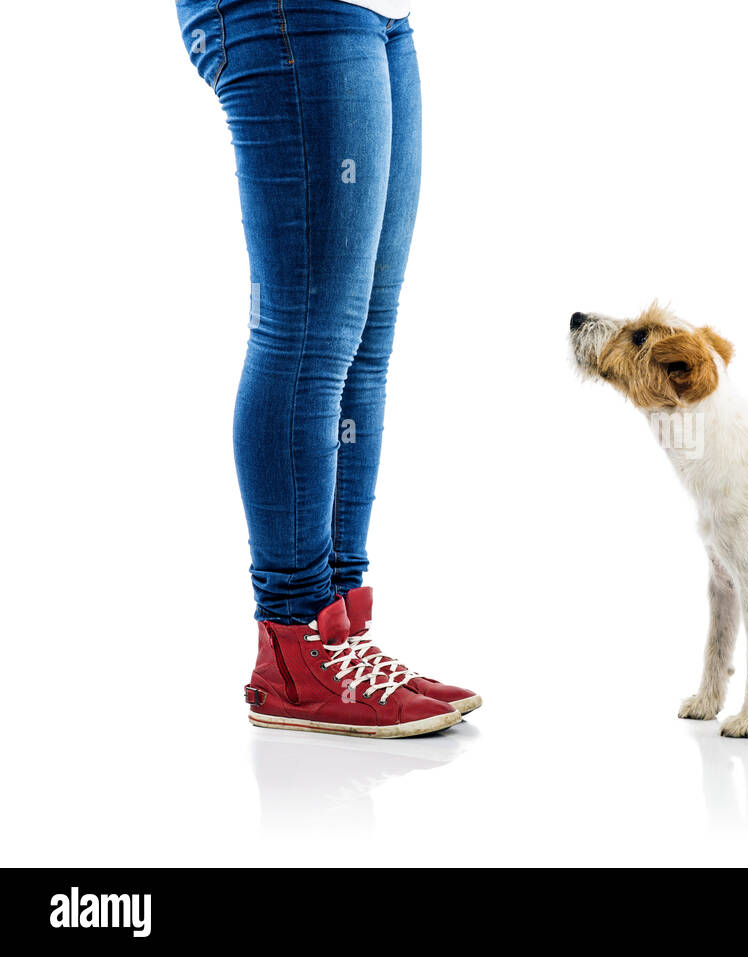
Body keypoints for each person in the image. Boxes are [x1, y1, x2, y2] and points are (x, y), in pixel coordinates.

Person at [177, 0, 478, 737]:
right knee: (309, 337)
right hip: (292, 12)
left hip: (379, 15)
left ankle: (339, 637)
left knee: (362, 345)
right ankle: (293, 647)